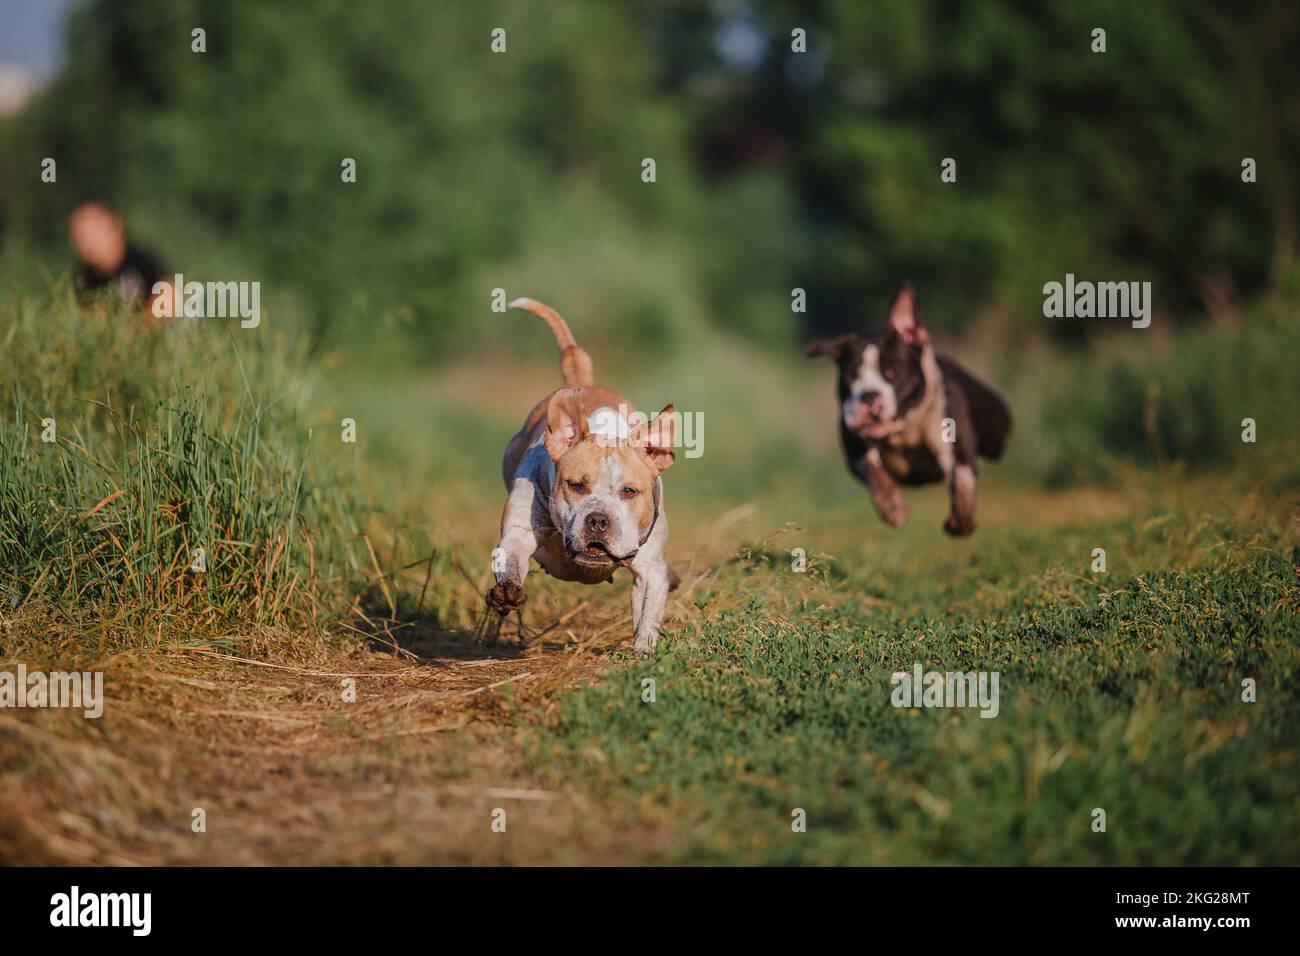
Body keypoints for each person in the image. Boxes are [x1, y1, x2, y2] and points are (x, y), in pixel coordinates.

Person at [70, 201, 174, 316]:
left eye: (94, 233)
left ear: (116, 224)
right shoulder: (84, 279)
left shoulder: (142, 263)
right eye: (81, 238)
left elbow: (169, 295)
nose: (88, 243)